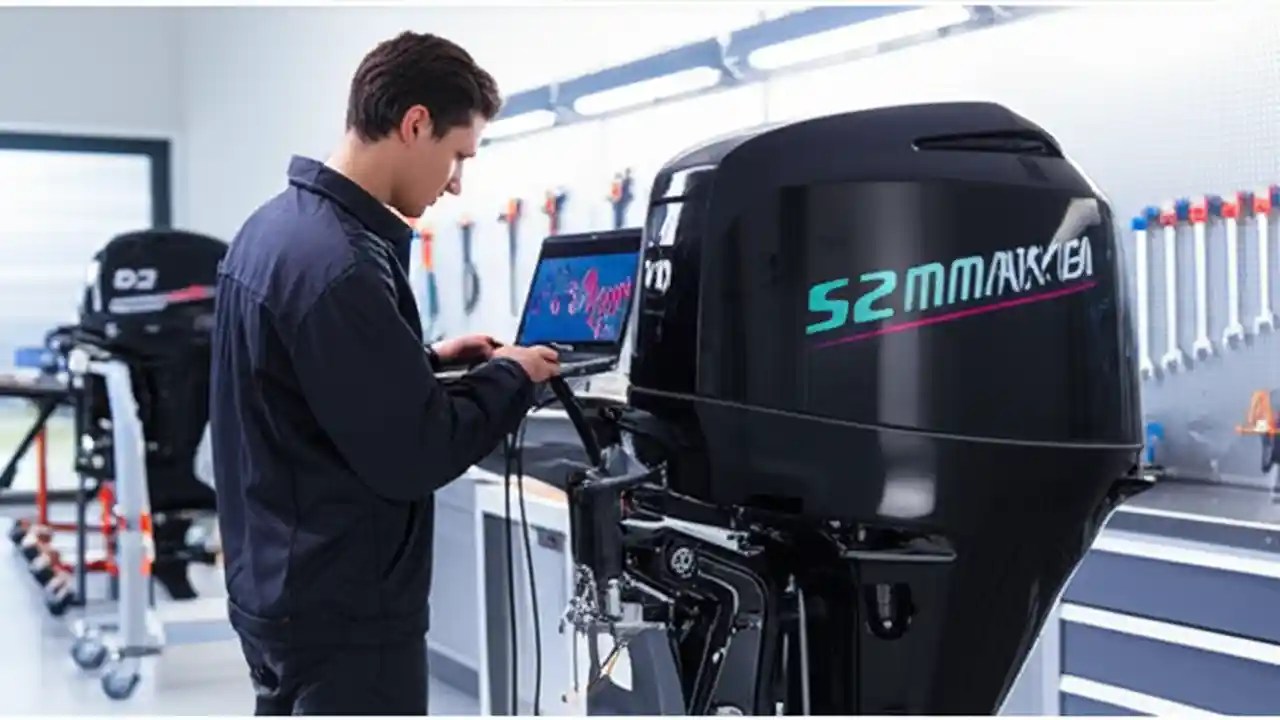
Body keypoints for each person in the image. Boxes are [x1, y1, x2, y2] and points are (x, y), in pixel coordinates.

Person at [208, 31, 561, 716]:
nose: (457, 183)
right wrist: (513, 377)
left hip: (277, 587)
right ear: (415, 124)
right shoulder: (340, 265)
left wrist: (422, 360)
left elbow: (299, 382)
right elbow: (417, 452)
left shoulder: (273, 231)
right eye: (458, 156)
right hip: (342, 609)